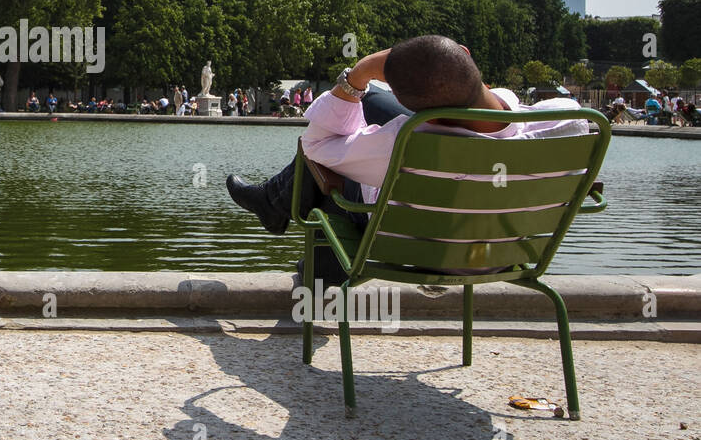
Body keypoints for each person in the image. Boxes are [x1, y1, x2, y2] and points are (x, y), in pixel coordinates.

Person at [227, 35, 590, 287]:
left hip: (423, 253)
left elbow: (315, 144)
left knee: (327, 182)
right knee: (366, 117)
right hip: (501, 254)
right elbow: (507, 104)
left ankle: (281, 216)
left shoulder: (404, 142)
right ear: (466, 53)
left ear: (410, 108)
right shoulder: (570, 122)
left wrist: (361, 73)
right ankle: (275, 208)